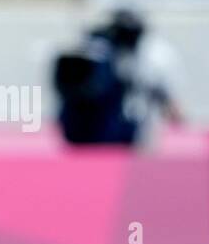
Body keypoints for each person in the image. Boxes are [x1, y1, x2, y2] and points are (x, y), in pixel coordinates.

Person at [53, 9, 183, 146]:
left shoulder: (151, 58)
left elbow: (168, 101)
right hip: (86, 130)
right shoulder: (96, 53)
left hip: (125, 134)